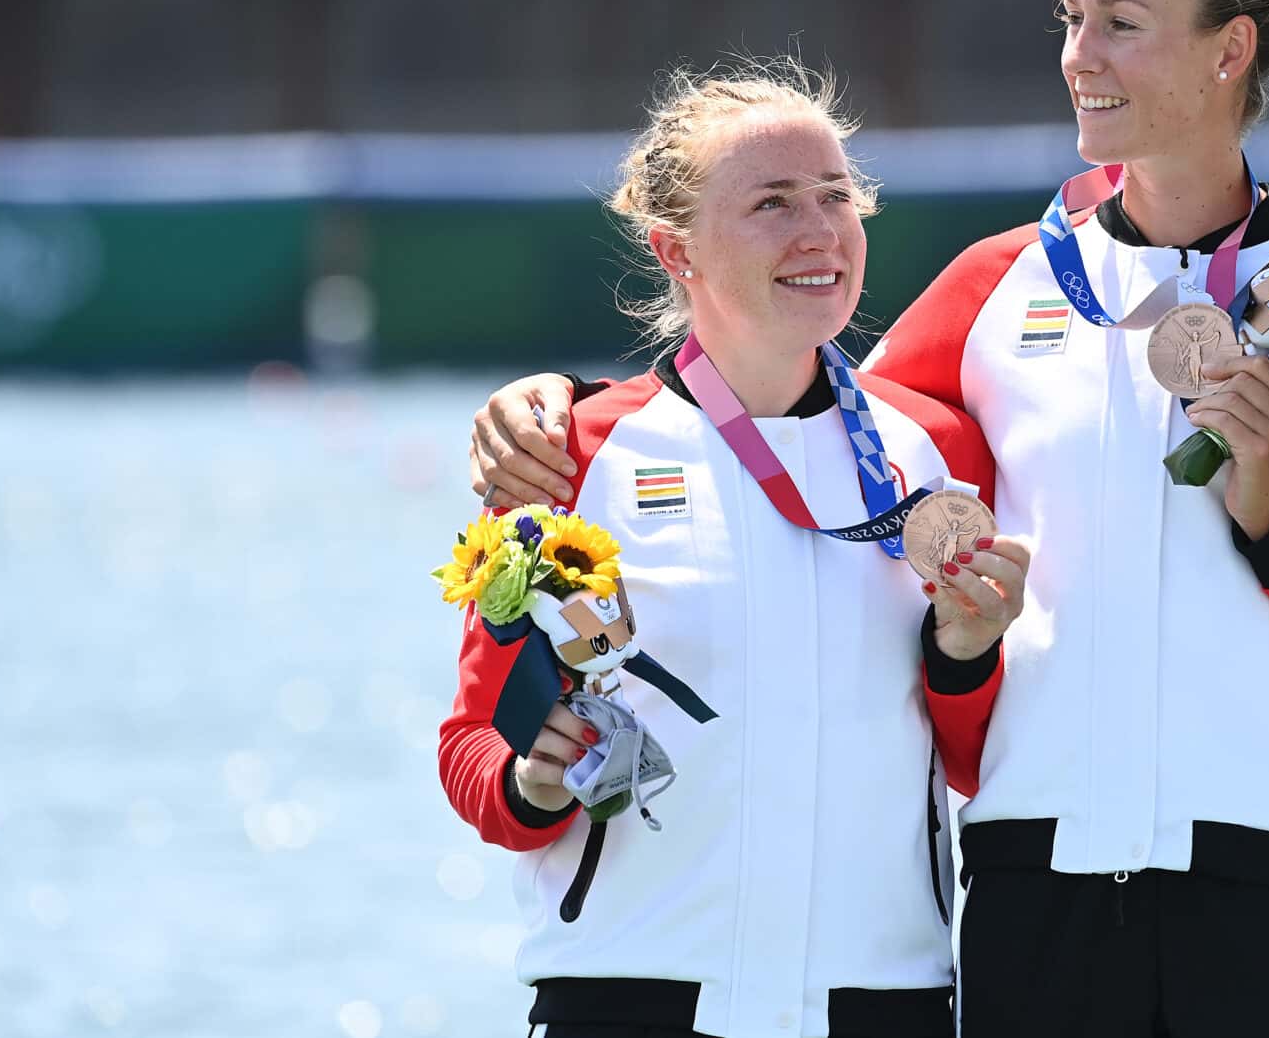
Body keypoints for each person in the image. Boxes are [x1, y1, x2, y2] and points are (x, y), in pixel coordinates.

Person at [470, 0, 1269, 1038]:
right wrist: (568, 403)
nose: (1079, 55)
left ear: (1229, 51)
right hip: (1034, 893)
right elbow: (785, 424)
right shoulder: (993, 290)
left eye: (1119, 24)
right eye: (1072, 19)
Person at [438, 60, 1034, 1038]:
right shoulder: (572, 453)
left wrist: (967, 650)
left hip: (881, 1000)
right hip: (632, 997)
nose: (818, 231)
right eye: (771, 202)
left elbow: (971, 760)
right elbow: (472, 742)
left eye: (835, 196)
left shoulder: (927, 454)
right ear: (679, 252)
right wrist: (530, 784)